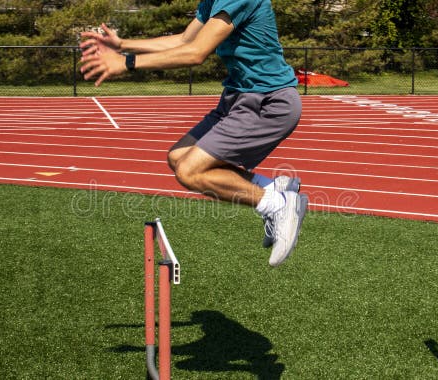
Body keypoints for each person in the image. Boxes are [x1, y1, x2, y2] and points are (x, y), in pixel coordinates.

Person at [78, 0, 307, 267]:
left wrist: (126, 62)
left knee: (190, 172)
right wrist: (124, 44)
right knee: (178, 157)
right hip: (238, 98)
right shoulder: (212, 1)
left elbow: (195, 53)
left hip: (268, 102)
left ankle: (277, 205)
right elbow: (186, 39)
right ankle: (272, 186)